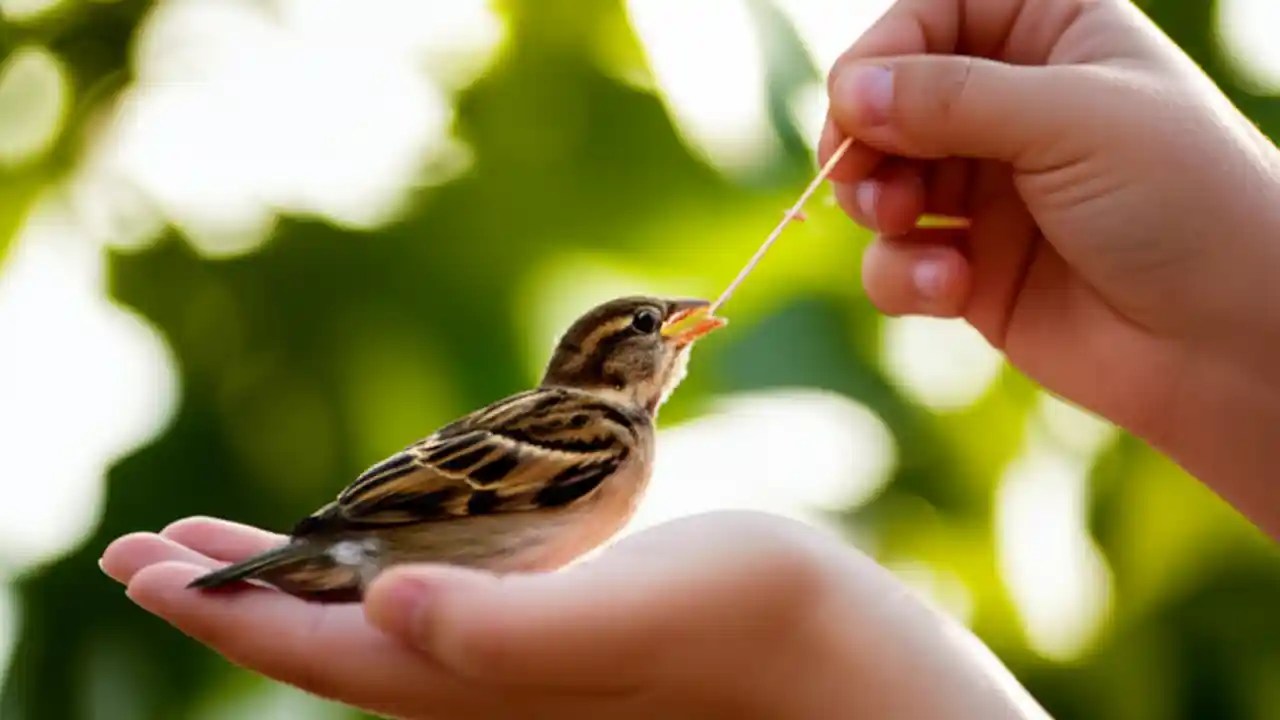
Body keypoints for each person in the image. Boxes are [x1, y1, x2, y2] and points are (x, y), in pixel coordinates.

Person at [100, 0, 1280, 717]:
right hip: (387, 542)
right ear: (616, 370)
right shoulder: (593, 438)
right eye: (652, 331)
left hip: (370, 537)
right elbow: (452, 489)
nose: (680, 335)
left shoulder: (590, 433)